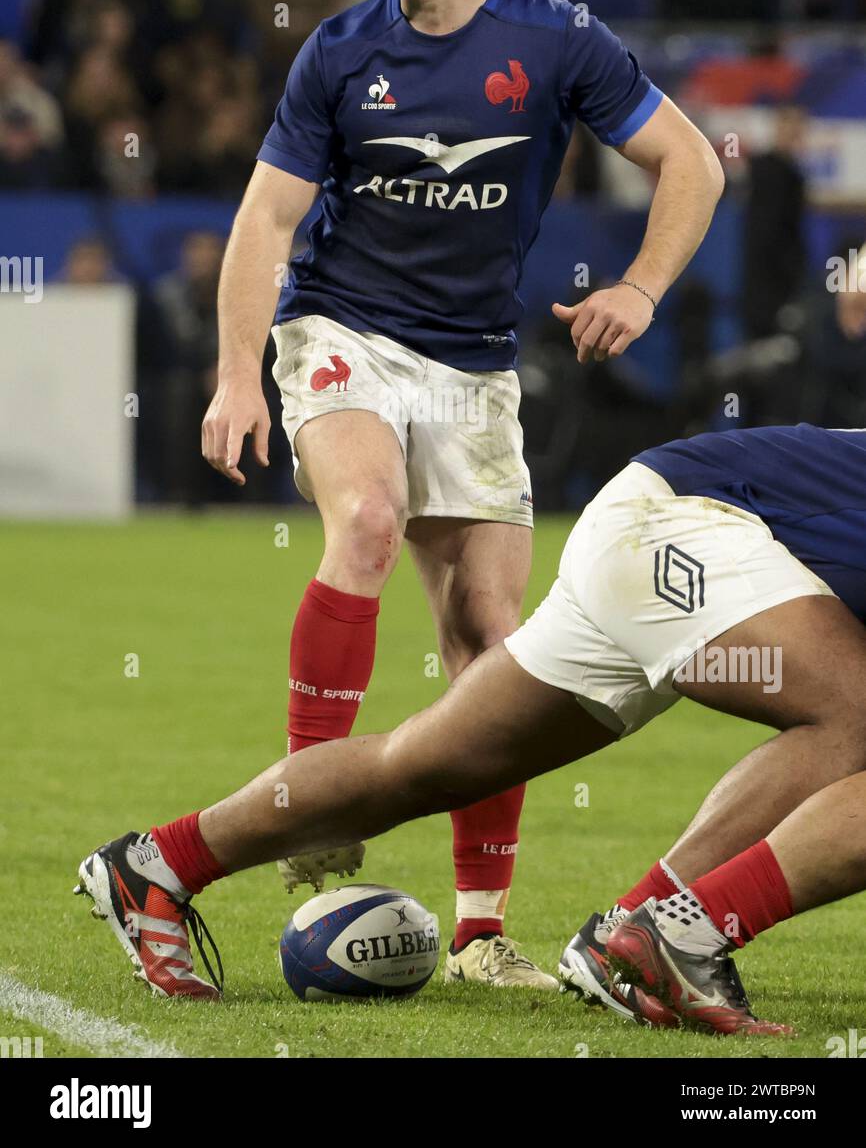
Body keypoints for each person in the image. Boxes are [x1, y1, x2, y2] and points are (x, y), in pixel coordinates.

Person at [199, 0, 723, 988]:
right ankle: (308, 805)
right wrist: (240, 370)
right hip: (339, 330)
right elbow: (266, 221)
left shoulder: (558, 42)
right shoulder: (336, 51)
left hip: (473, 364)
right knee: (369, 519)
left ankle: (483, 932)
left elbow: (690, 159)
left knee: (493, 645)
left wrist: (639, 287)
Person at [77, 422, 866, 1033]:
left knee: (421, 764)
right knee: (857, 714)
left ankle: (158, 863)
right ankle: (669, 938)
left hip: (652, 527)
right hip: (689, 526)